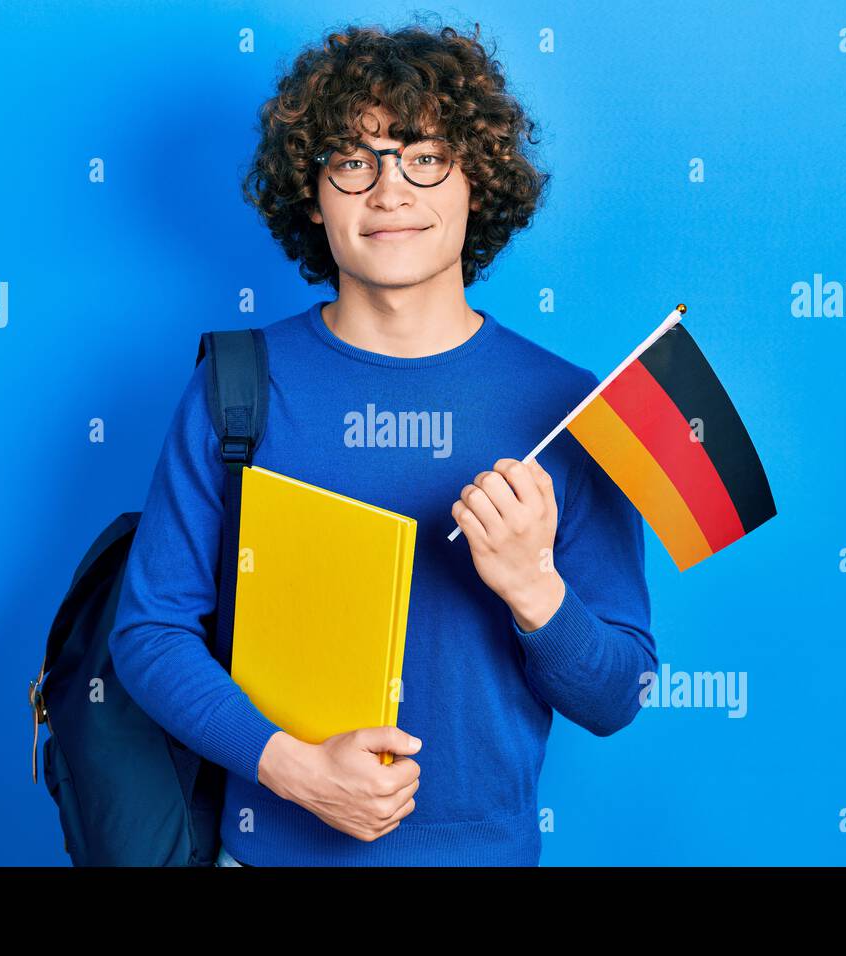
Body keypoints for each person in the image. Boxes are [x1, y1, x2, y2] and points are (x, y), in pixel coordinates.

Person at [108, 21, 656, 867]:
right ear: (313, 193)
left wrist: (534, 588)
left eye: (424, 155)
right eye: (353, 160)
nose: (389, 190)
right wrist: (291, 770)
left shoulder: (570, 408)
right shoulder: (236, 386)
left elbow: (619, 692)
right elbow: (149, 633)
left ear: (479, 181)